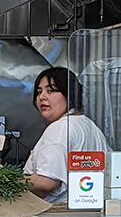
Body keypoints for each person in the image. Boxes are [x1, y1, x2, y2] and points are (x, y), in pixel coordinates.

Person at [24, 66, 108, 202]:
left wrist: (9, 181)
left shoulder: (59, 128)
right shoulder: (89, 126)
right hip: (86, 211)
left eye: (50, 91)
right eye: (39, 92)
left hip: (55, 214)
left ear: (69, 95)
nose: (42, 97)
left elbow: (46, 182)